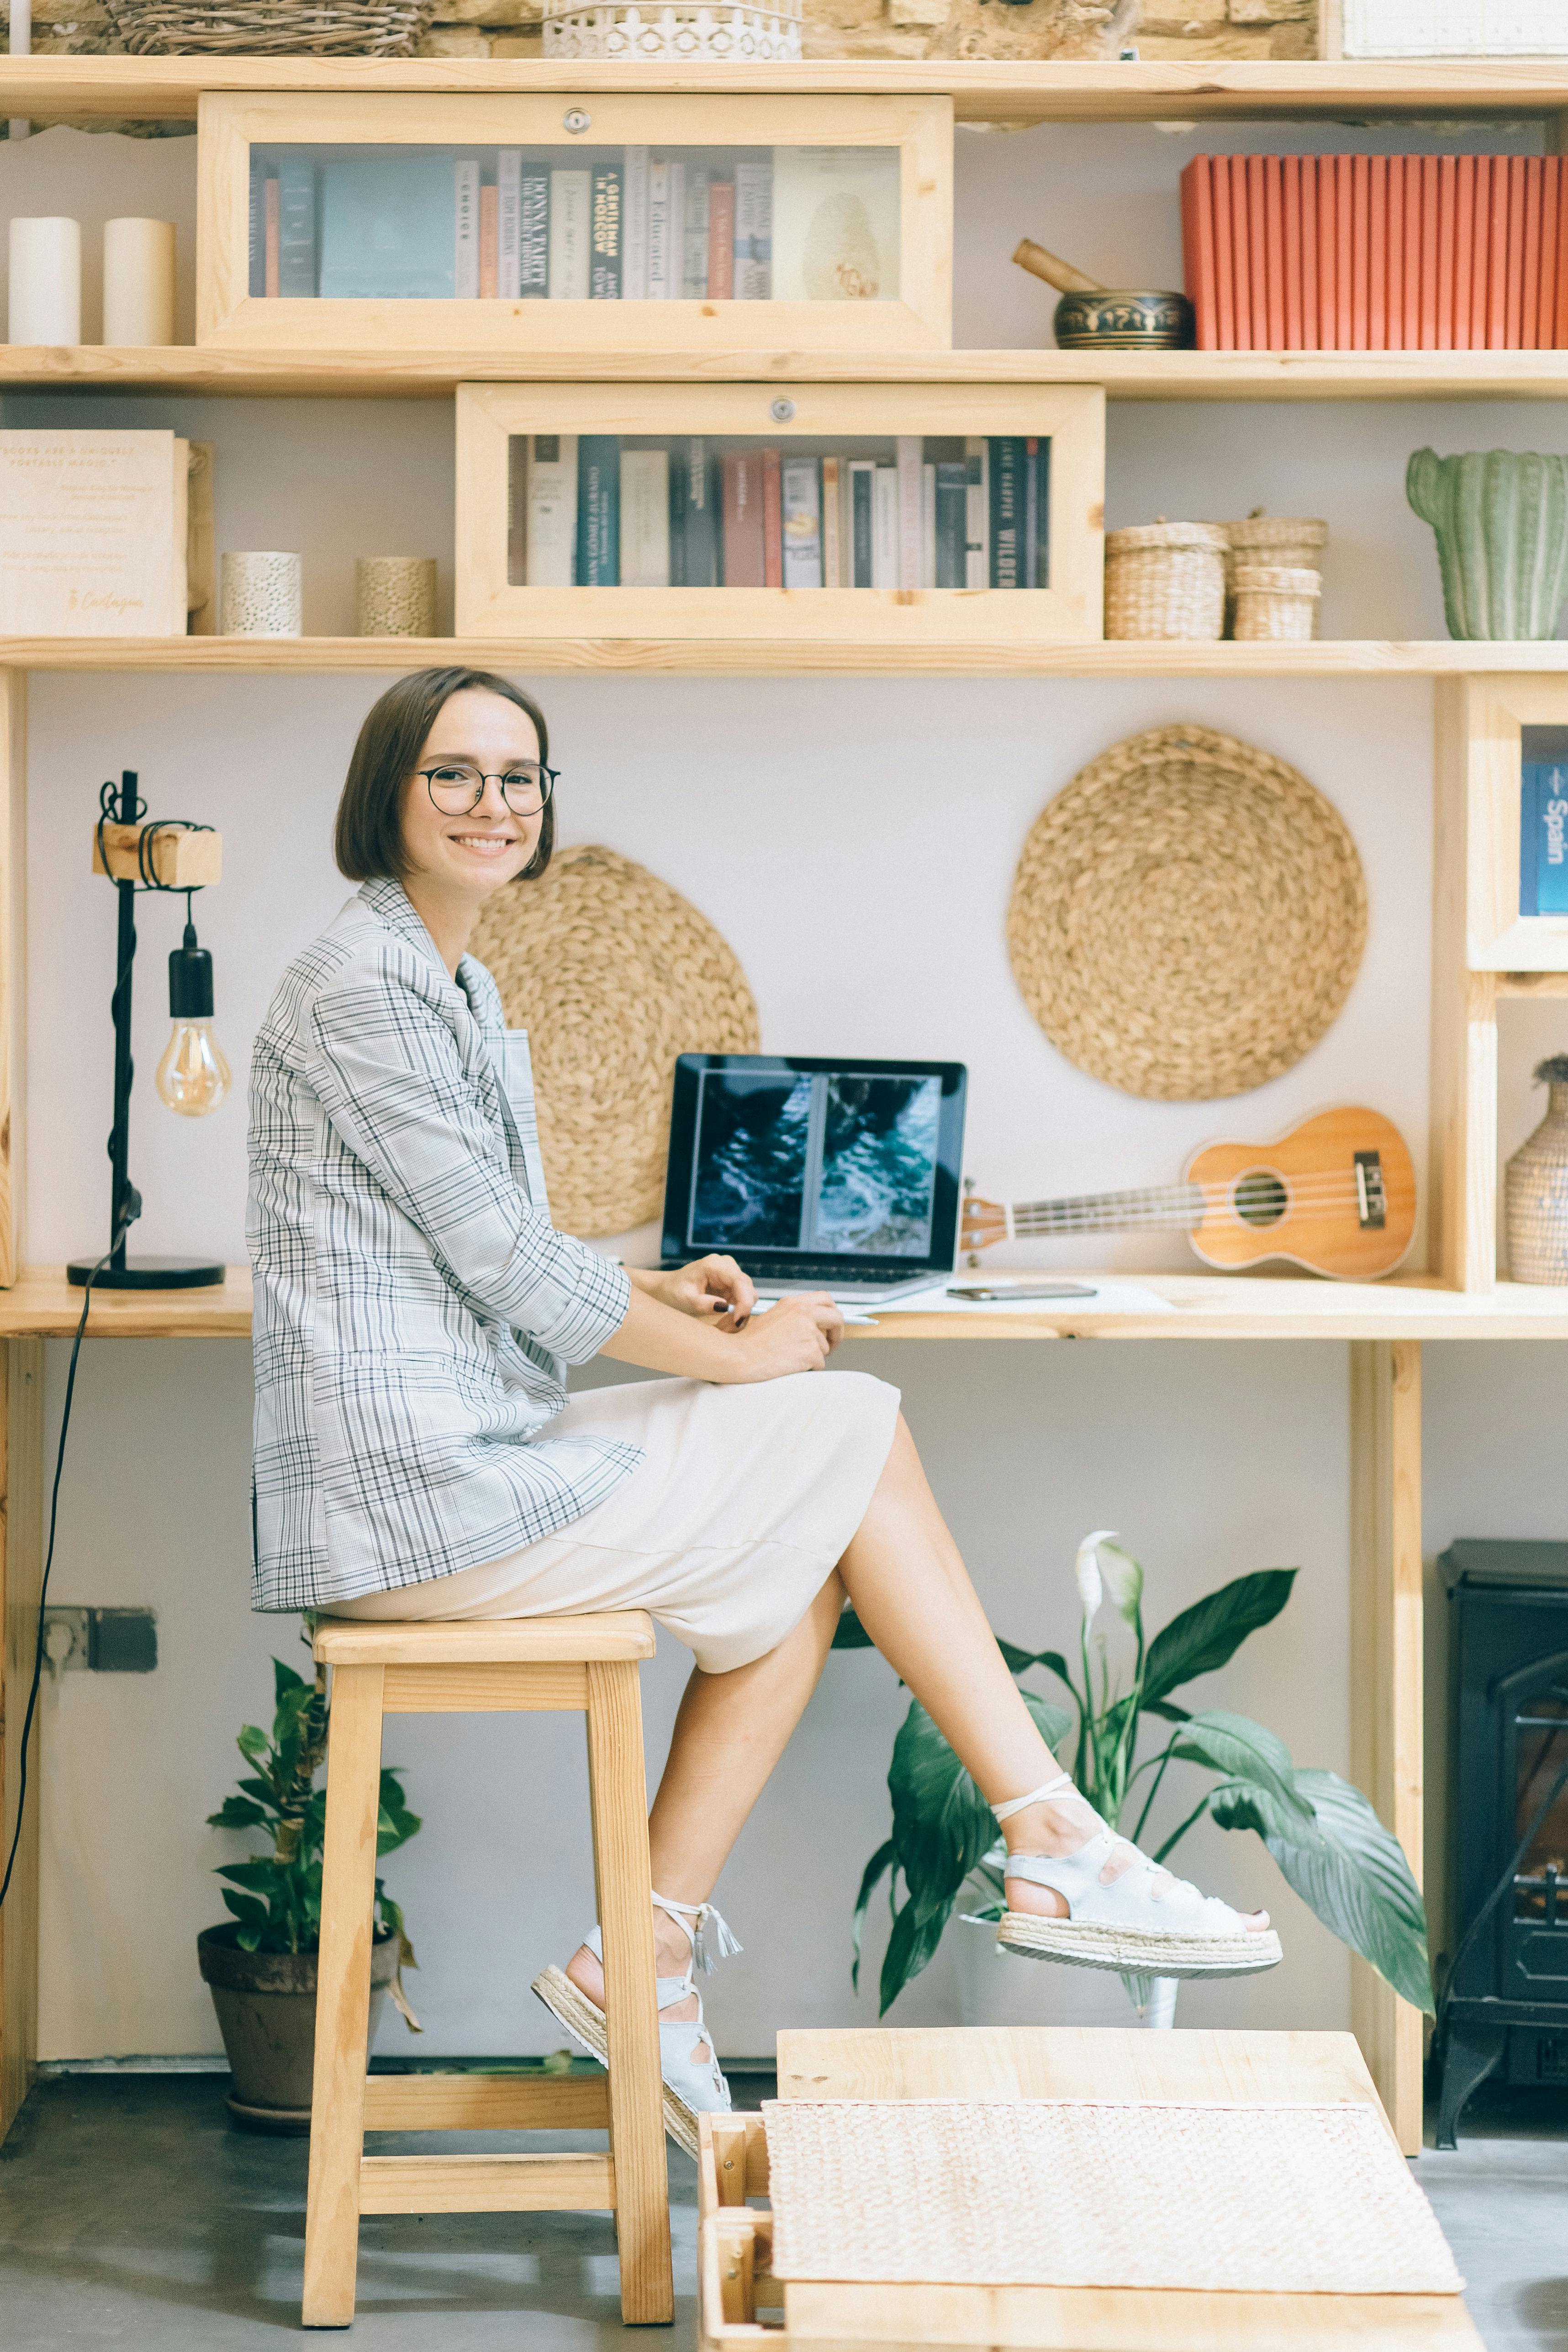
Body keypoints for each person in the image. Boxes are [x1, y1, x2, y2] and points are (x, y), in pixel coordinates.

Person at [248, 665, 1280, 2152]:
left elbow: (482, 1255)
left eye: (519, 777)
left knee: (800, 1533)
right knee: (846, 1422)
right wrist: (750, 1358)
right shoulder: (367, 985)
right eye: (454, 774)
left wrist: (663, 1287)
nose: (492, 804)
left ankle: (643, 1958)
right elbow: (498, 1262)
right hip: (410, 1494)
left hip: (456, 1454)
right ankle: (1049, 1836)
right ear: (387, 795)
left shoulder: (453, 979)